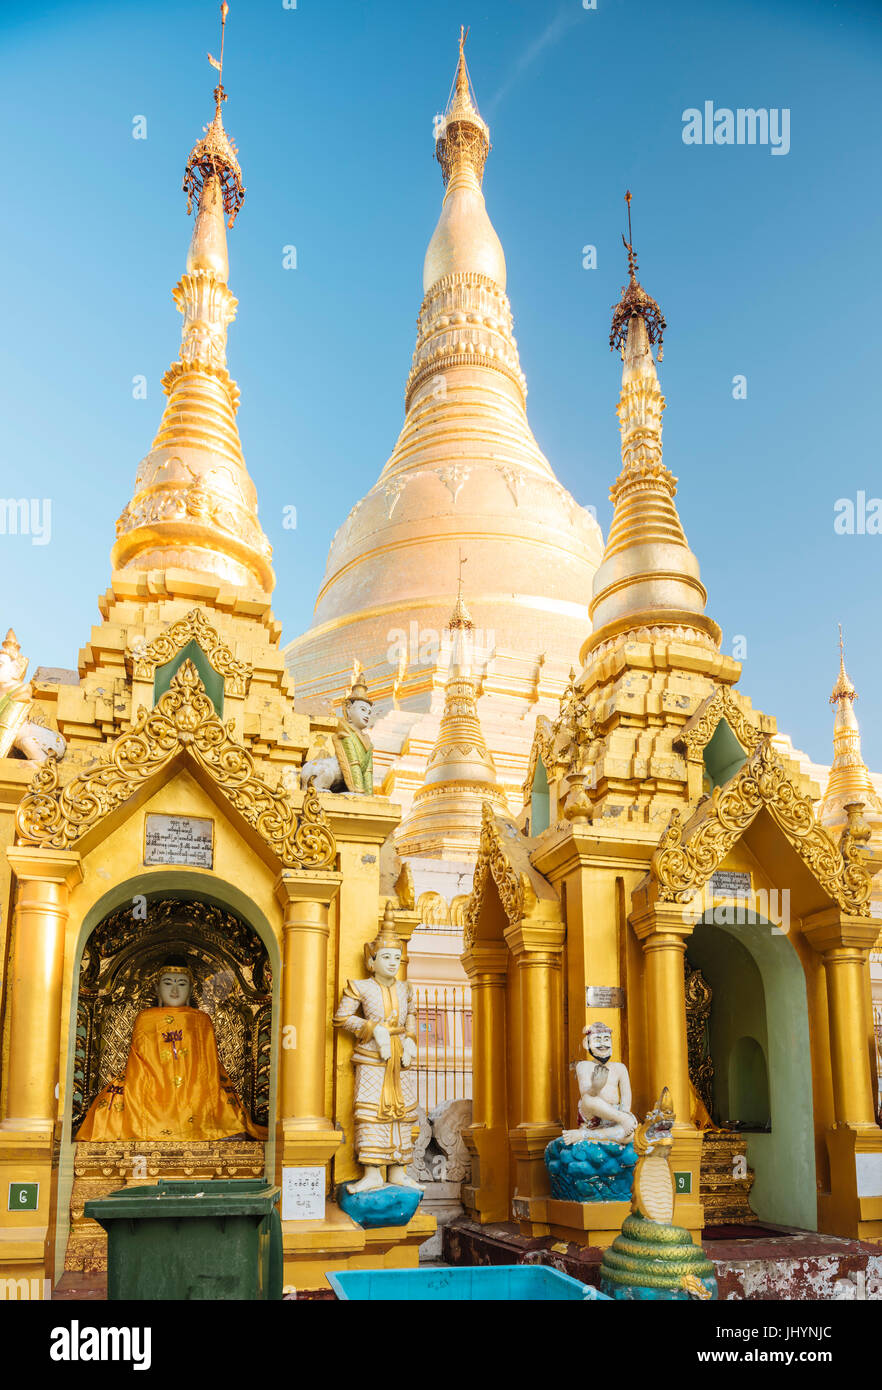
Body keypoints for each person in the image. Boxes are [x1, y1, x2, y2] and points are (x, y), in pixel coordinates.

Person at [76, 959, 265, 1142]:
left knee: (231, 1124)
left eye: (181, 984)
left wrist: (196, 1092)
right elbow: (139, 1063)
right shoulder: (145, 1019)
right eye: (168, 983)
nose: (174, 990)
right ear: (157, 989)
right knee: (109, 1114)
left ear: (191, 989)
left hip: (196, 1089)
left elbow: (208, 1065)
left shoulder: (201, 1020)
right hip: (151, 1087)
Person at [333, 912, 420, 1190]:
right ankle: (371, 1173)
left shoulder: (406, 989)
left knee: (402, 1114)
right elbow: (341, 1018)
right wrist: (374, 1029)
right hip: (372, 1059)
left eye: (397, 957)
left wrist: (410, 1040)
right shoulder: (360, 988)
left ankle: (398, 1170)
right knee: (371, 1113)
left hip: (400, 1060)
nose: (393, 963)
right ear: (371, 961)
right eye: (386, 957)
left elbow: (411, 1018)